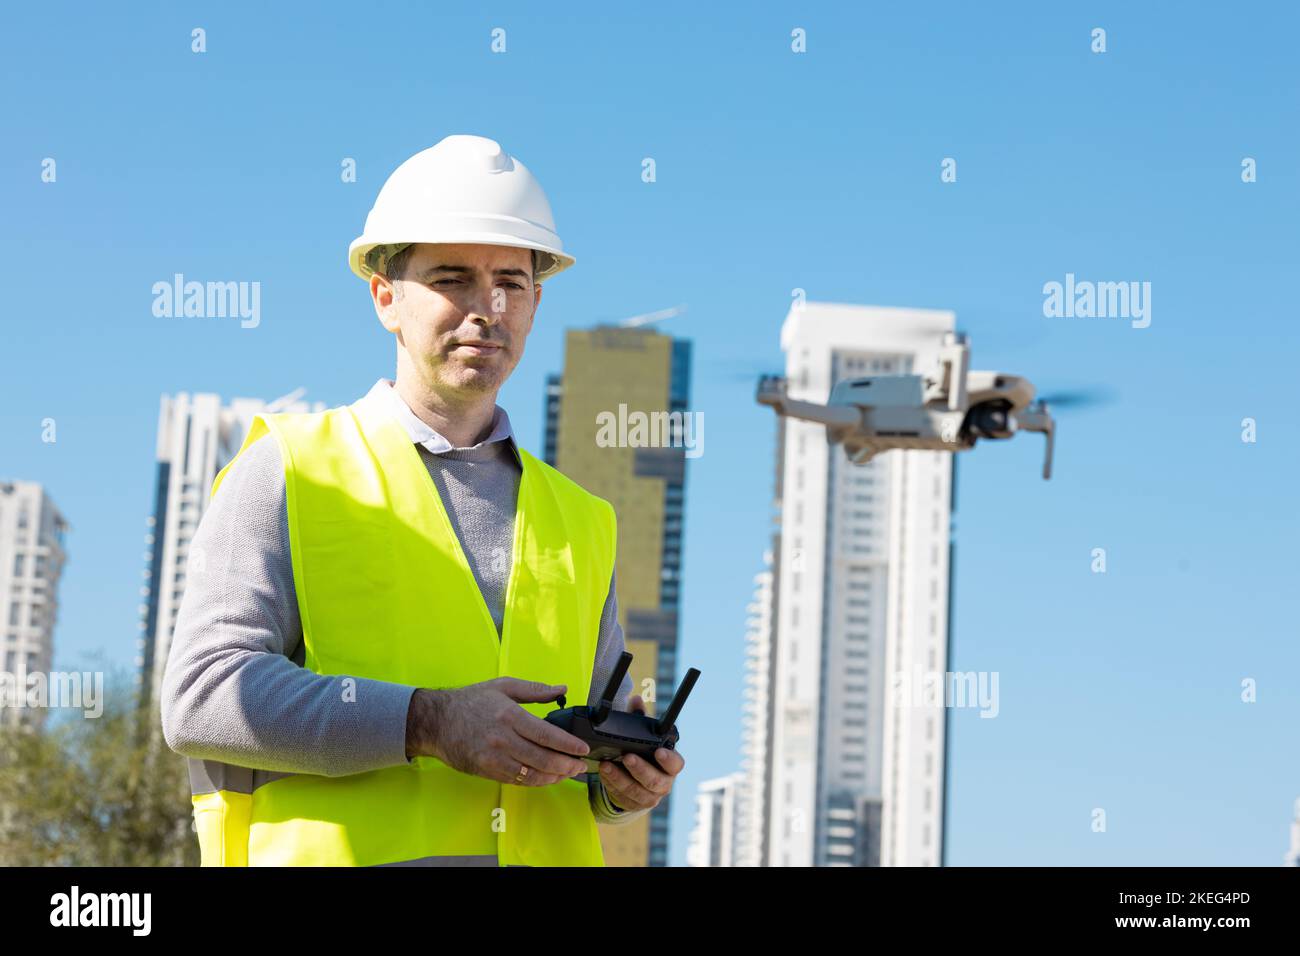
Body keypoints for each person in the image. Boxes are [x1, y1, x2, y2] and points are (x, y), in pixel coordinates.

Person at [161, 134, 685, 866]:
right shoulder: (289, 468)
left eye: (511, 280)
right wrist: (427, 722)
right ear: (386, 297)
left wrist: (620, 788)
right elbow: (202, 696)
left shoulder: (582, 521)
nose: (487, 308)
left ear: (536, 302)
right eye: (452, 280)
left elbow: (574, 766)